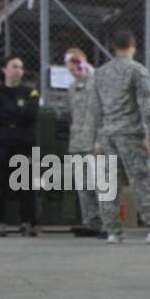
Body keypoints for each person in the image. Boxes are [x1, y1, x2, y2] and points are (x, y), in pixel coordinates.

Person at [89, 29, 150, 243]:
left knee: (109, 184)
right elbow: (147, 104)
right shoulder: (138, 71)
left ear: (114, 48)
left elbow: (95, 109)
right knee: (142, 181)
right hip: (130, 134)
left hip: (107, 134)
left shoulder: (100, 73)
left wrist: (97, 138)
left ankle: (113, 232)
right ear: (133, 46)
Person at [0, 56, 40, 237]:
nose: (18, 71)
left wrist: (9, 114)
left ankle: (27, 222)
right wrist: (18, 114)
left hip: (23, 144)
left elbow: (32, 115)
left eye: (21, 67)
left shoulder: (30, 93)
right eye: (14, 66)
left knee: (25, 183)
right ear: (4, 69)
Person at [62, 47, 101, 236]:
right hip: (77, 142)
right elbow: (71, 115)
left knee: (98, 184)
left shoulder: (97, 83)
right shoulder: (71, 89)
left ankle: (106, 223)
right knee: (83, 186)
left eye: (75, 64)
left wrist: (100, 139)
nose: (72, 69)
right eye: (69, 66)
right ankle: (91, 222)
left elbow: (104, 113)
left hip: (94, 142)